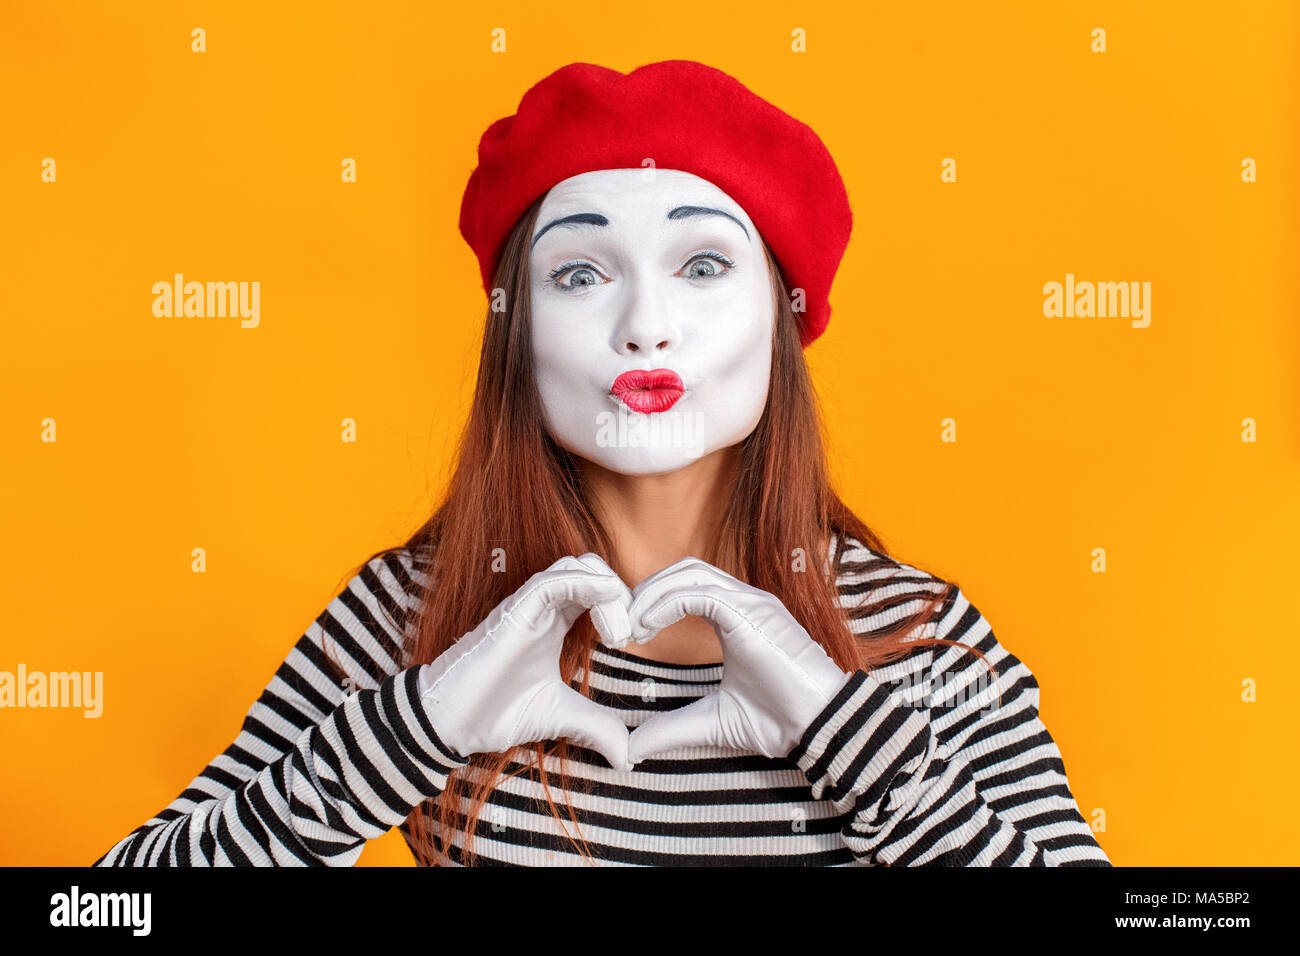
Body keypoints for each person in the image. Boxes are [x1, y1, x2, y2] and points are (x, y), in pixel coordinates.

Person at [93, 60, 1111, 867]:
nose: (644, 326)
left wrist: (847, 732)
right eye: (580, 273)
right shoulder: (415, 613)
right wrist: (416, 725)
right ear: (517, 331)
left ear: (780, 319)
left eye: (703, 265)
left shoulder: (915, 638)